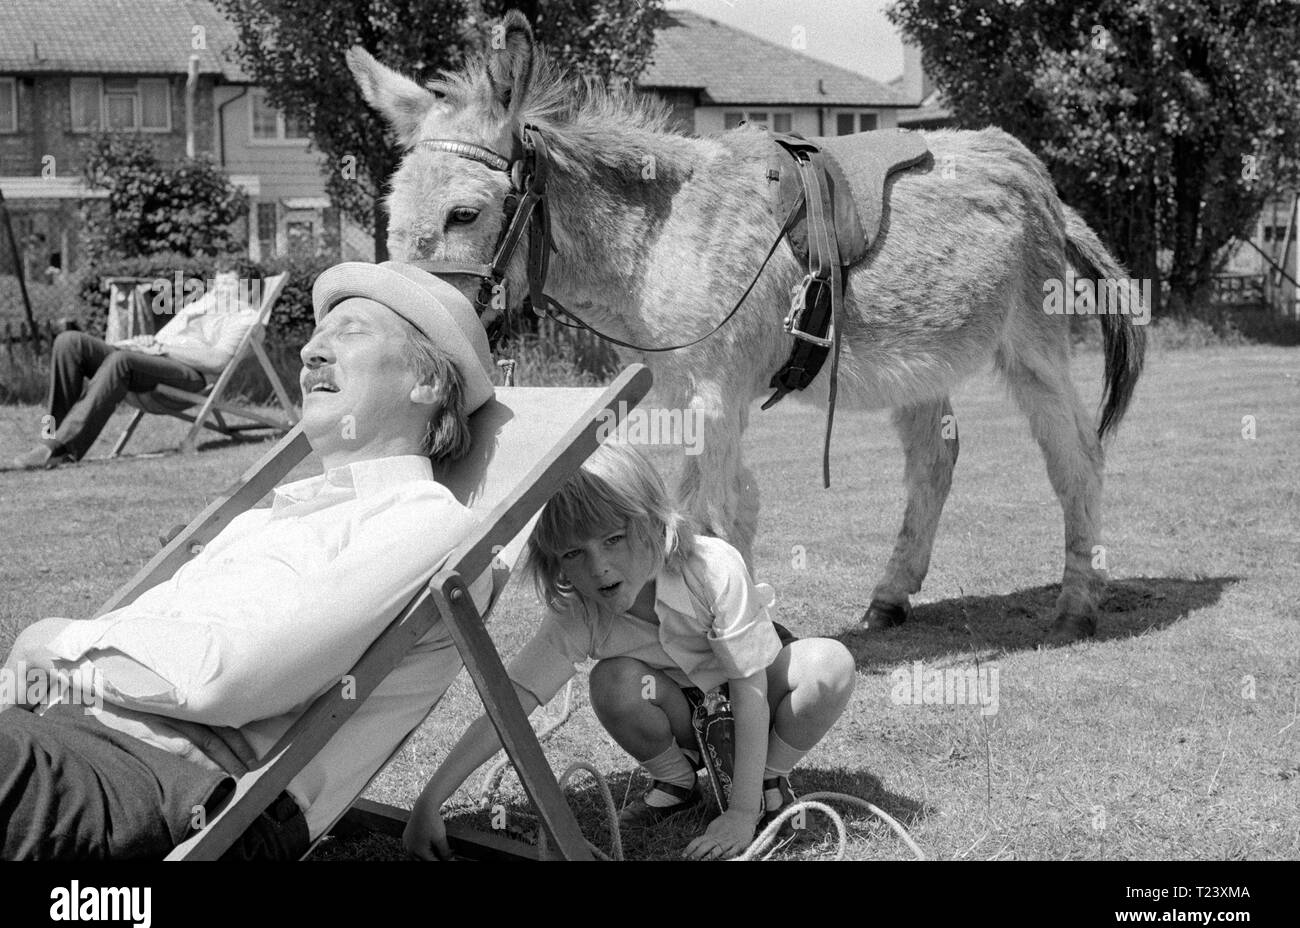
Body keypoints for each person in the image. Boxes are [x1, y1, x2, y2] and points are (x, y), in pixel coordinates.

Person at [0, 261, 497, 859]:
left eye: (352, 332)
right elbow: (154, 657)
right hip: (70, 744)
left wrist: (50, 644)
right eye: (318, 336)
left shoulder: (423, 521)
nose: (312, 350)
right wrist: (77, 667)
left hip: (168, 793)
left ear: (428, 383)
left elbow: (223, 678)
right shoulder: (265, 520)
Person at [403, 442, 857, 862]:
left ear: (655, 523)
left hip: (752, 697)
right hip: (683, 714)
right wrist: (430, 798)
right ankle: (677, 782)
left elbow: (750, 689)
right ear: (553, 562)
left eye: (614, 539)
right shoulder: (580, 611)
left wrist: (742, 813)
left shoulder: (714, 567)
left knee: (829, 665)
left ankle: (765, 777)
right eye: (573, 554)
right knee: (613, 680)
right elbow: (510, 701)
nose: (598, 567)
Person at [7, 269, 261, 470]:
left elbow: (217, 360)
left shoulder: (244, 317)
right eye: (217, 284)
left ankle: (62, 449)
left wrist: (160, 349)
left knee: (122, 361)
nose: (219, 291)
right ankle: (48, 437)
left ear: (246, 289)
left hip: (188, 375)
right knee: (69, 342)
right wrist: (140, 344)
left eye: (228, 285)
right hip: (155, 360)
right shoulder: (201, 306)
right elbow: (162, 338)